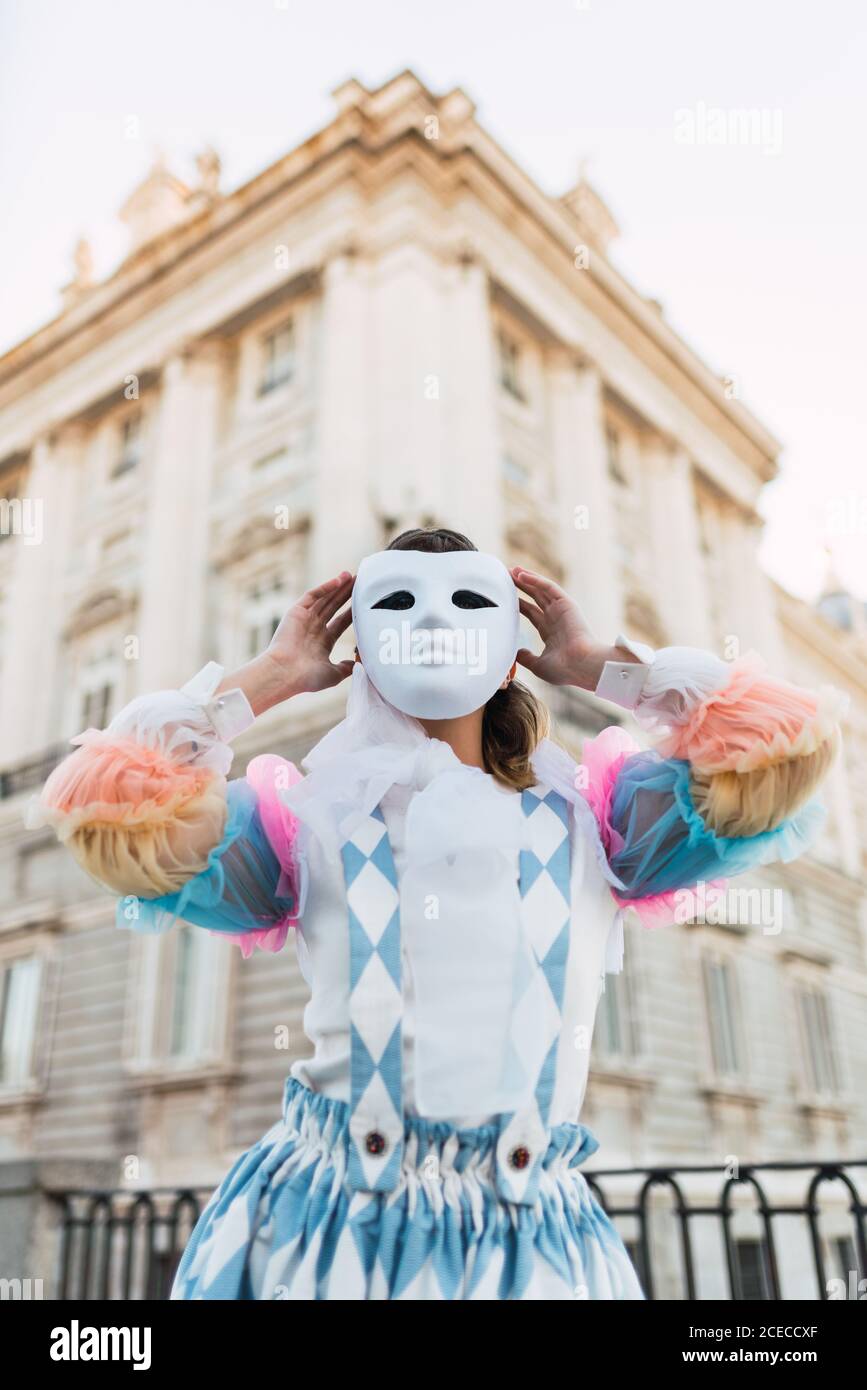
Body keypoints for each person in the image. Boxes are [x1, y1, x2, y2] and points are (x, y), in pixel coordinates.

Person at [33, 527, 845, 1300]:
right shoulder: (305, 820)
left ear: (505, 658)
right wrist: (274, 675)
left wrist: (604, 669)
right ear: (360, 656)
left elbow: (784, 749)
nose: (430, 621)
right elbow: (107, 804)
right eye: (397, 604)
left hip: (536, 1248)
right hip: (323, 1234)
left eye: (466, 604)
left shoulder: (597, 820)